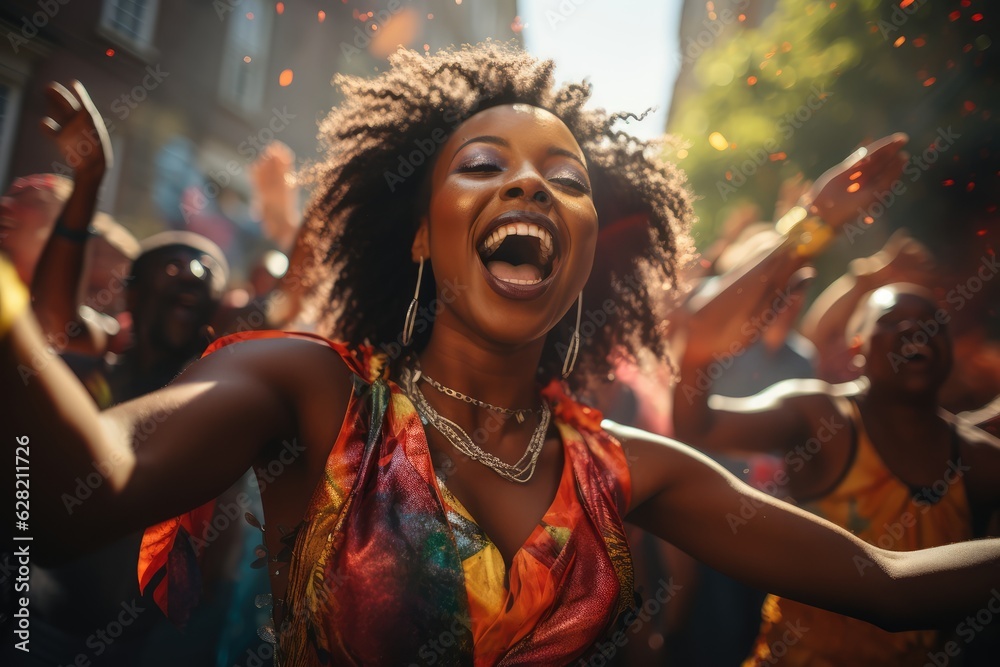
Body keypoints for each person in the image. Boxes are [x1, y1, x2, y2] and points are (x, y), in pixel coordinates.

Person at [2, 43, 999, 666]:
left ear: (582, 262)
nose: (526, 187)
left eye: (560, 177)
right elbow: (65, 493)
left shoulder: (625, 466)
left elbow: (888, 579)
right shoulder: (305, 388)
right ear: (421, 234)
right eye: (482, 166)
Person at [674, 268, 1000, 664]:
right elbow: (699, 426)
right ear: (856, 345)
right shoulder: (821, 417)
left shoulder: (983, 462)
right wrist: (701, 347)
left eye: (932, 323)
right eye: (892, 320)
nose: (914, 328)